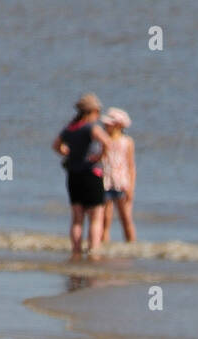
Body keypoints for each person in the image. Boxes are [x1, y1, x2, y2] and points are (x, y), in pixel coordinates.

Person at [53, 94, 113, 259]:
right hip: (91, 174)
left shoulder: (69, 128)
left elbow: (56, 145)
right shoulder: (91, 127)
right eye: (98, 112)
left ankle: (76, 252)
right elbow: (107, 143)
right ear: (92, 111)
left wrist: (68, 153)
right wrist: (100, 157)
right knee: (96, 217)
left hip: (73, 175)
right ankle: (94, 252)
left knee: (77, 218)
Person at [99, 107, 136, 244]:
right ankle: (103, 245)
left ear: (119, 125)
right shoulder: (103, 139)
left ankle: (131, 246)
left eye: (109, 124)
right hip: (105, 181)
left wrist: (131, 187)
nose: (105, 126)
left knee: (126, 217)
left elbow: (131, 166)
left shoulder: (127, 142)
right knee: (104, 218)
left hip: (121, 183)